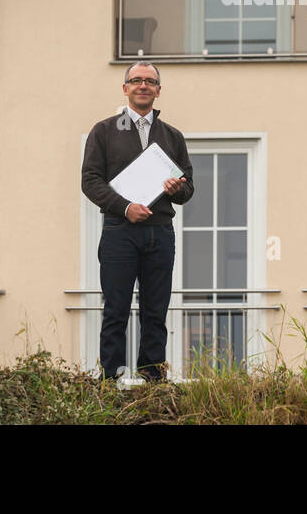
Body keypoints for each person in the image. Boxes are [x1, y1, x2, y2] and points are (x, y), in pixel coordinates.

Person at [81, 61, 193, 383]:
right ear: (125, 88)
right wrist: (125, 207)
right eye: (136, 80)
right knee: (115, 310)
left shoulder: (173, 136)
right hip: (120, 231)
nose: (143, 85)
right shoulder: (103, 131)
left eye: (150, 81)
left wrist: (177, 188)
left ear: (158, 90)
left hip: (160, 231)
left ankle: (153, 379)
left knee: (155, 312)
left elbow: (188, 188)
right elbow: (90, 181)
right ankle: (110, 379)